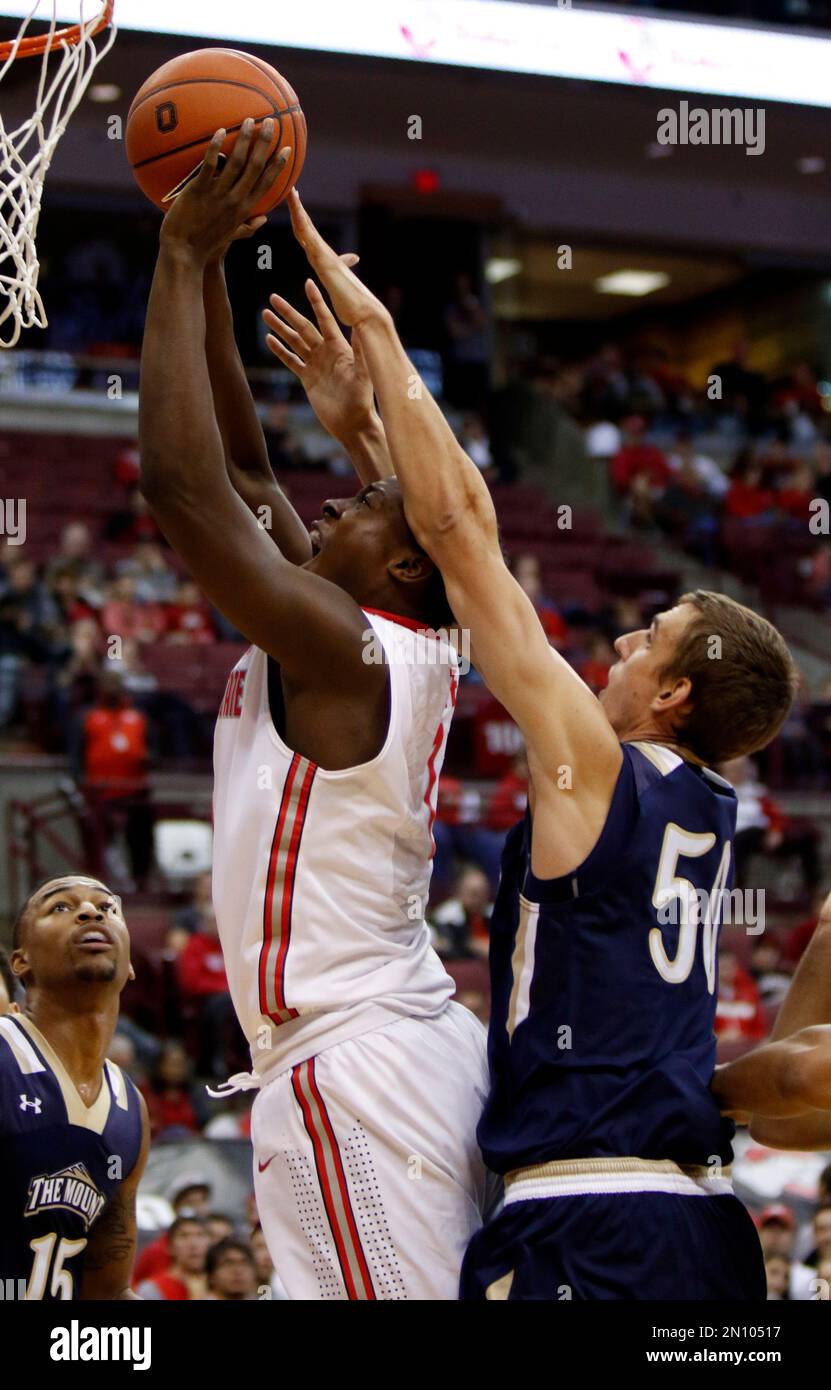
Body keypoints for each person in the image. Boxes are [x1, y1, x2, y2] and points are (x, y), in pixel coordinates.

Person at [287, 191, 799, 1302]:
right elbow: (449, 559)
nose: (619, 643)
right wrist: (365, 438)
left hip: (589, 1224)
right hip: (705, 1228)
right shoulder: (707, 804)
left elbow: (462, 537)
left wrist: (378, 329)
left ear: (672, 696)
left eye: (647, 639)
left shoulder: (601, 772)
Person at [138, 122, 493, 1300]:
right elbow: (244, 479)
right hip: (377, 1047)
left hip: (357, 1065)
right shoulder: (365, 632)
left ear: (404, 567)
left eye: (366, 505)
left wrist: (179, 260)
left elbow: (186, 492)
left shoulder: (347, 649)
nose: (335, 501)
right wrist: (207, 263)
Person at [1, 875, 149, 1298]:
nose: (90, 912)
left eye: (107, 908)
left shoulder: (129, 1108)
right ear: (21, 962)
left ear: (130, 964)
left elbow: (108, 1291)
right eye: (61, 907)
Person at [134, 1215, 209, 1300]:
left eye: (200, 1235)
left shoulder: (217, 1286)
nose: (193, 1244)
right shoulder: (152, 1290)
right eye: (184, 1236)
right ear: (170, 1246)